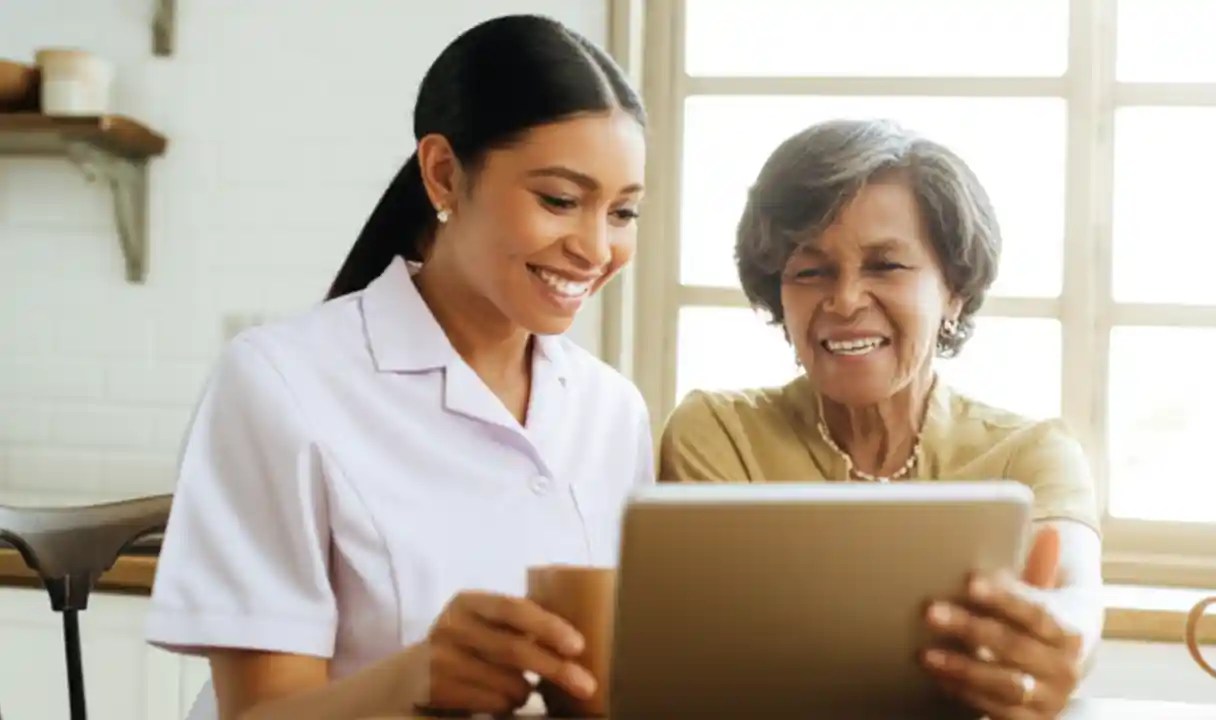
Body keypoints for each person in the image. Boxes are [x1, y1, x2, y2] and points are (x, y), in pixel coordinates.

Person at [144, 14, 651, 719]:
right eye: (560, 201)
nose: (596, 248)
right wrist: (412, 681)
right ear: (444, 173)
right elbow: (255, 713)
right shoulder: (279, 383)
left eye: (623, 212)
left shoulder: (613, 412)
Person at [659, 119, 1103, 720]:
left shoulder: (1030, 455)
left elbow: (1077, 604)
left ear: (954, 292)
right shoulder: (718, 435)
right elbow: (705, 657)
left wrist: (1056, 644)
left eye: (886, 266)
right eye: (810, 271)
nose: (843, 301)